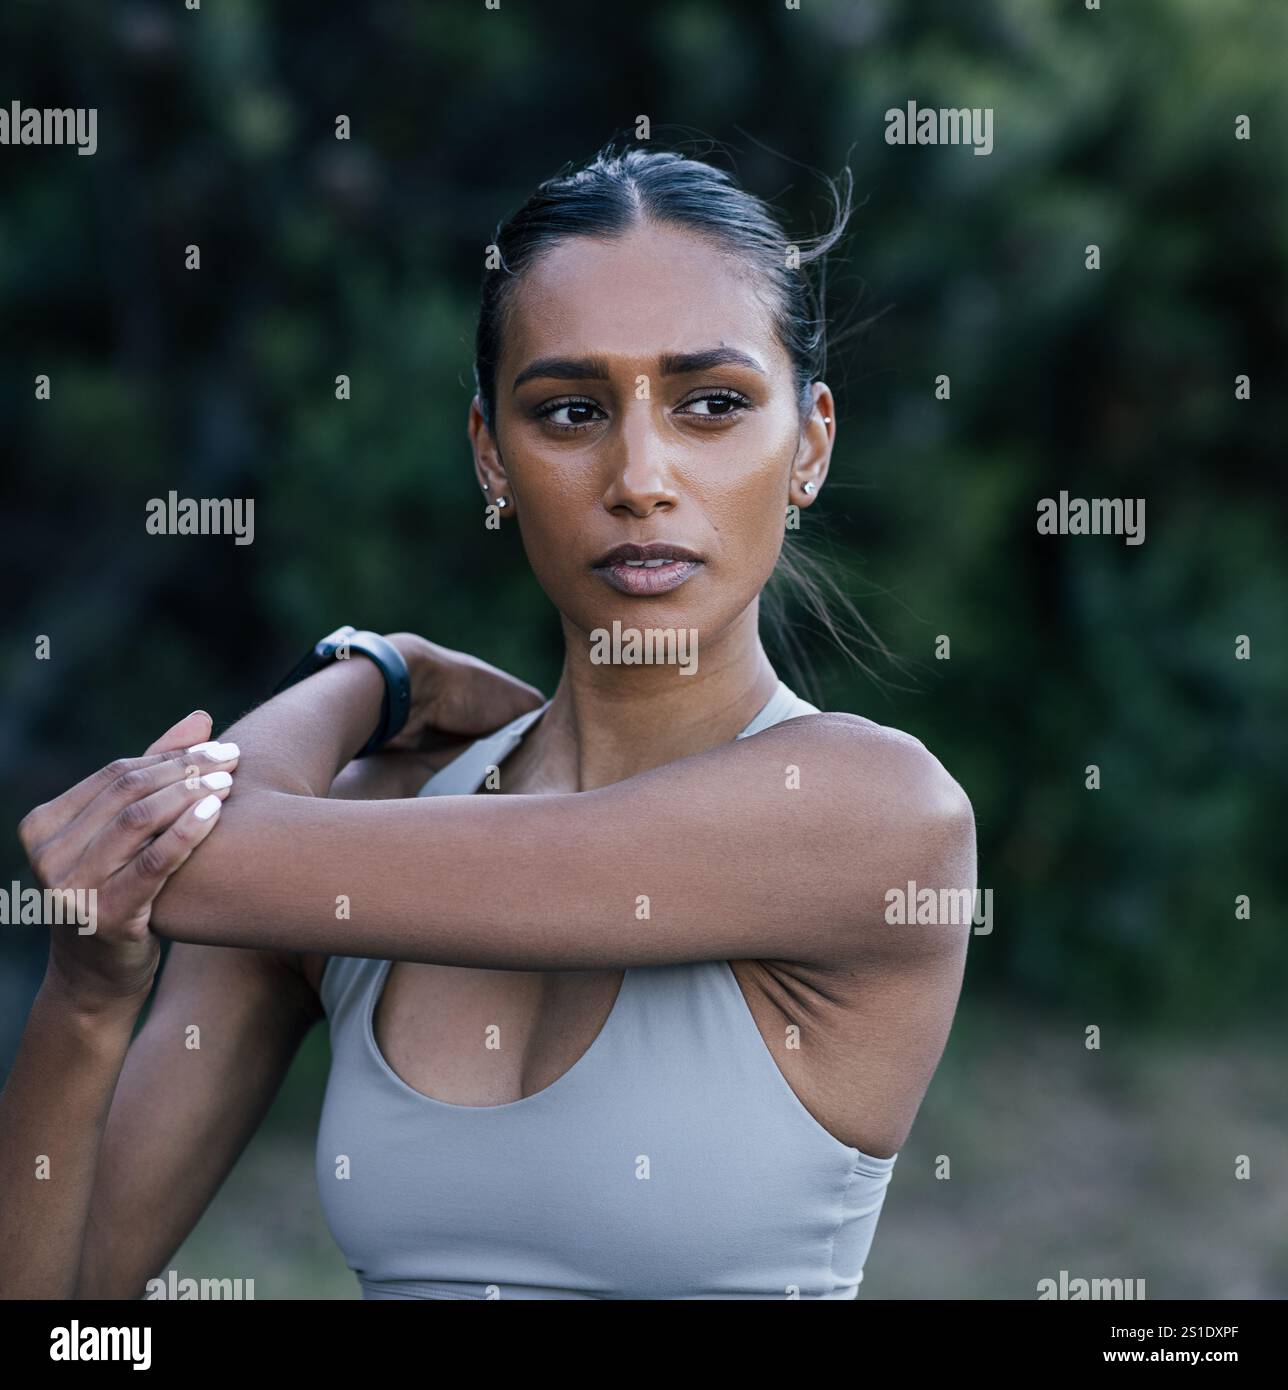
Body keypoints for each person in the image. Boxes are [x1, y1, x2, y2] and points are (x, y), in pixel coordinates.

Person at [2, 146, 975, 1300]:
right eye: (570, 410)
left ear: (808, 442)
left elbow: (186, 859)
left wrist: (375, 668)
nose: (641, 475)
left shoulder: (870, 816)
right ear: (489, 455)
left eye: (712, 403)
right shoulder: (367, 830)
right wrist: (89, 991)